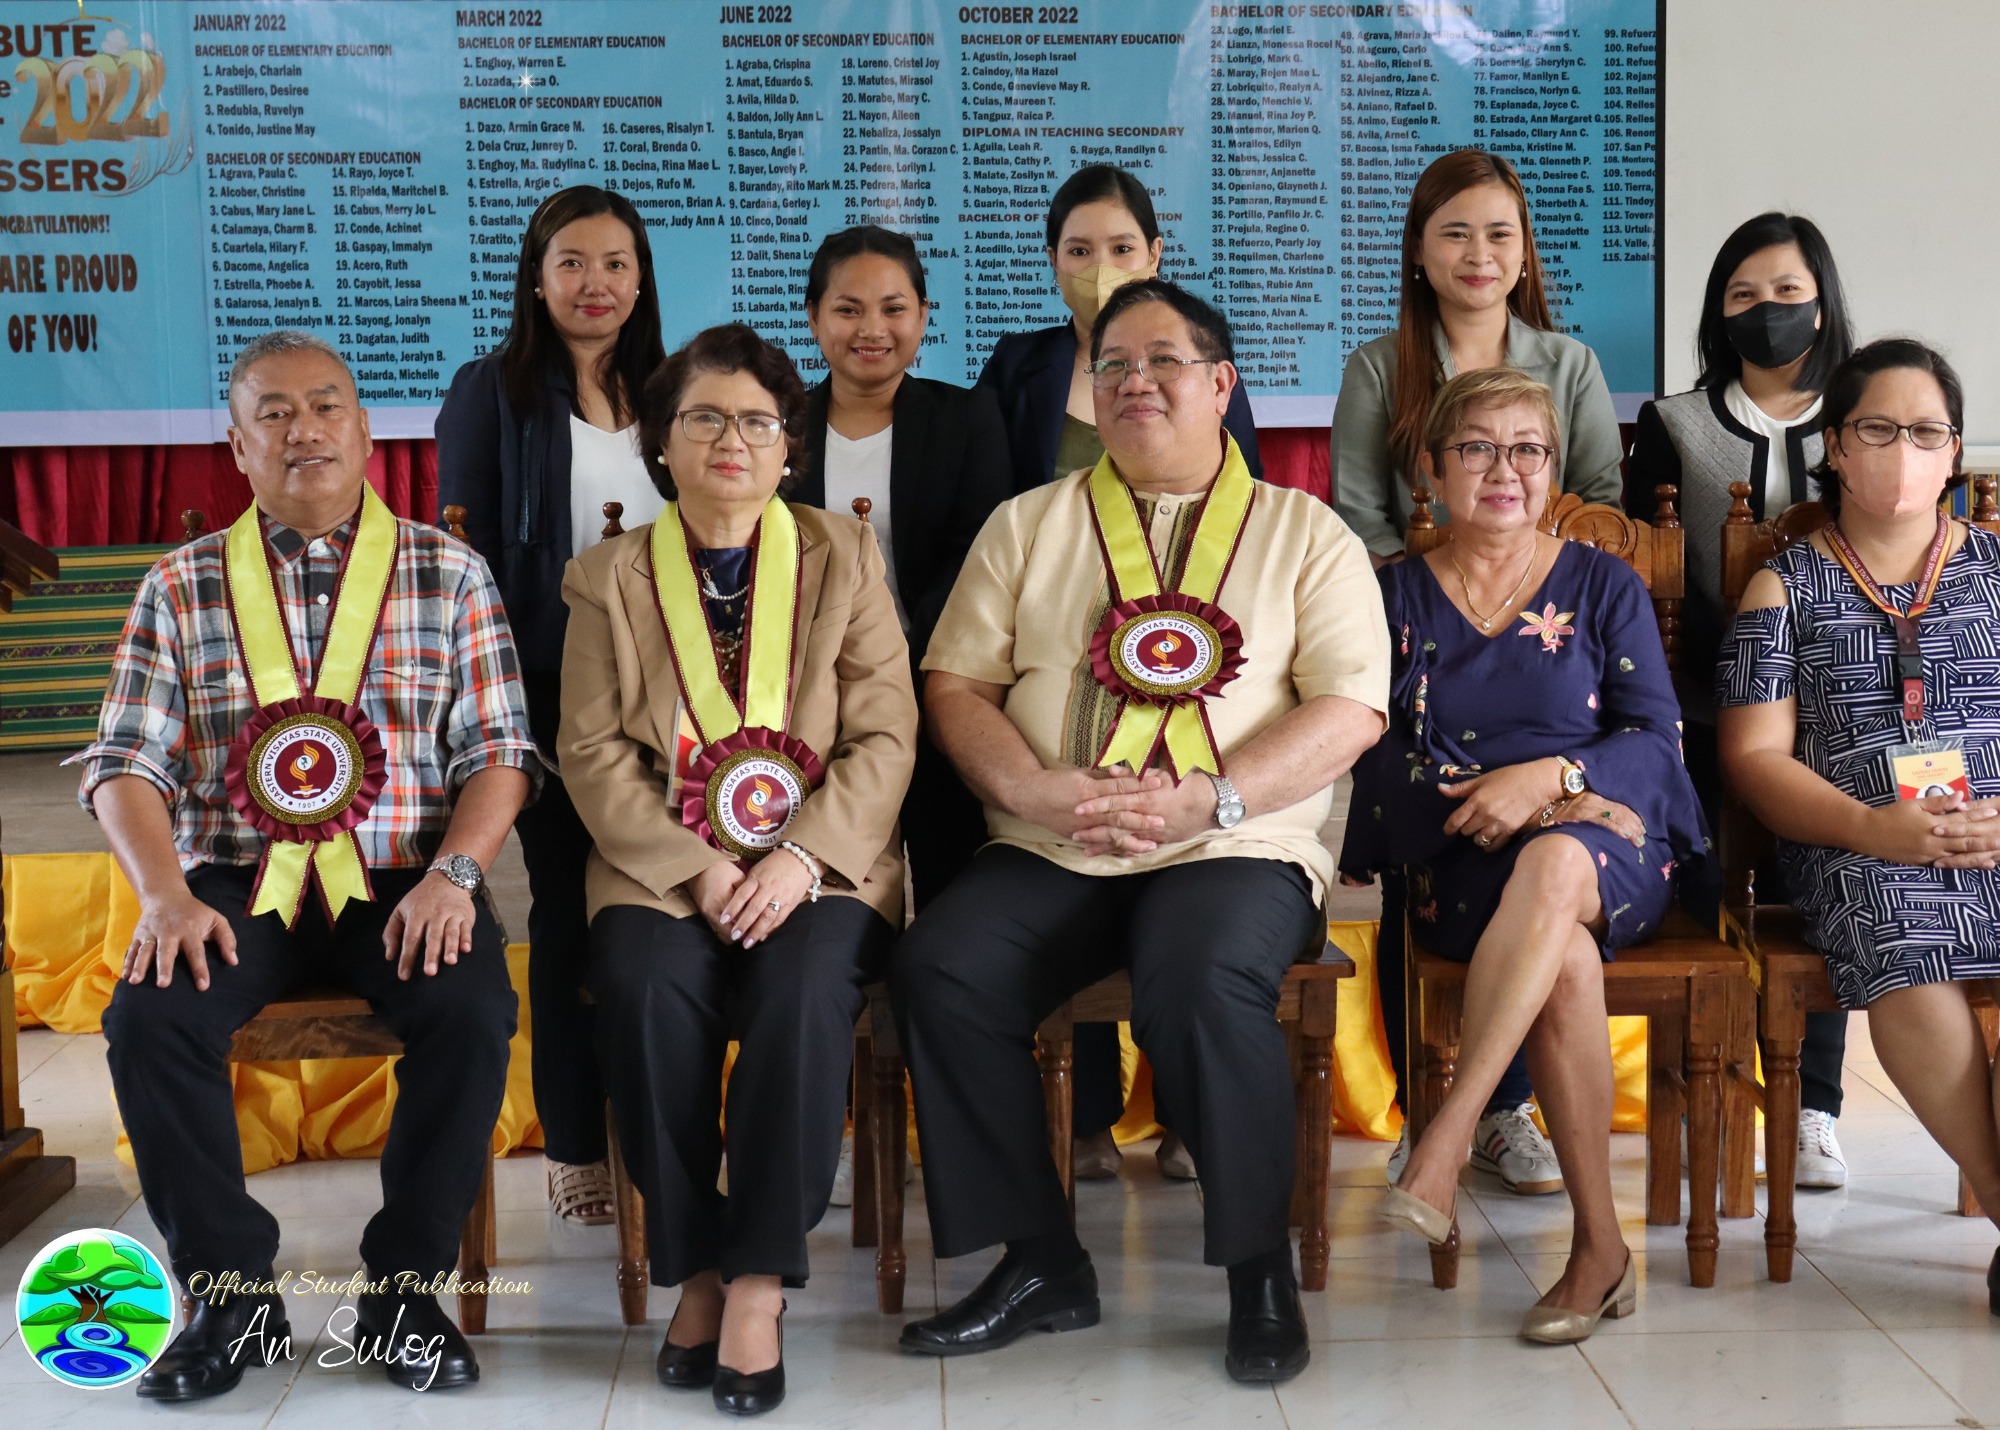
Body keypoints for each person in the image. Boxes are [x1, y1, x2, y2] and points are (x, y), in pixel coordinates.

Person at [894, 278, 1389, 1384]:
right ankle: (1040, 1260)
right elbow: (956, 684)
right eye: (1111, 364)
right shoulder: (1027, 523)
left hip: (1233, 844)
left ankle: (1258, 1273)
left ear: (1220, 384)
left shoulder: (1303, 530)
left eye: (1164, 360)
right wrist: (1030, 788)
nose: (1135, 382)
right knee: (941, 967)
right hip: (1053, 838)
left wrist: (1212, 797)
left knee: (1200, 976)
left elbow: (1351, 707)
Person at [81, 330, 539, 1399]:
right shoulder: (181, 584)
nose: (305, 430)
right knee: (148, 1016)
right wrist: (164, 895)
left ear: (366, 431)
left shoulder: (448, 571)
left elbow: (499, 752)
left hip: (407, 877)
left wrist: (457, 875)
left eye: (326, 405)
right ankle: (231, 1297)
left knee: (471, 1008)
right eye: (274, 413)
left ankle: (403, 1294)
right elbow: (123, 762)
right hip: (235, 882)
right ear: (237, 446)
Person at [559, 323, 917, 1415]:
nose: (731, 439)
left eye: (758, 421)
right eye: (704, 417)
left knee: (802, 988)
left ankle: (757, 1279)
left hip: (823, 861)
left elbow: (885, 732)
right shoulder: (605, 577)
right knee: (640, 986)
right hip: (661, 867)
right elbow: (590, 751)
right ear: (661, 443)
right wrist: (698, 869)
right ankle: (698, 1268)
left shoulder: (844, 555)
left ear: (789, 447)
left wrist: (800, 856)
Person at [1342, 366, 1709, 1344]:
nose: (1503, 469)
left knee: (1556, 865)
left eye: (1527, 449)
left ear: (1553, 469)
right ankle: (1600, 1250)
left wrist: (1549, 781)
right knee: (1563, 955)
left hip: (1605, 849)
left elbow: (1655, 738)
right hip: (1462, 857)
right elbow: (1377, 755)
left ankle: (1448, 1133)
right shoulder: (1392, 596)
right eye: (1476, 447)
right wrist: (1496, 805)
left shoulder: (1603, 583)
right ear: (1430, 468)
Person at [1332, 148, 1626, 1196]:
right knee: (1427, 846)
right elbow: (1358, 522)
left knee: (1543, 857)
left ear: (1525, 251)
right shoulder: (1380, 368)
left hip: (1550, 642)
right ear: (1418, 249)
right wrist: (1445, 589)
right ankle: (1453, 1112)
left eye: (1499, 232)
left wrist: (1518, 569)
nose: (1478, 252)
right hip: (1421, 638)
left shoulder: (1569, 363)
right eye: (1454, 231)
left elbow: (1601, 507)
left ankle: (1491, 1118)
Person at [978, 162, 1262, 1178]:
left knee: (1183, 894)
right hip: (1061, 667)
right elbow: (988, 507)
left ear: (1156, 253)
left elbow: (1239, 517)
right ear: (1052, 262)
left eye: (1121, 247)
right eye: (1079, 249)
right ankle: (1087, 1116)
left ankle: (1188, 1115)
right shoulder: (1016, 366)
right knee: (1070, 860)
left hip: (1185, 666)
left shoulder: (1195, 358)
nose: (1100, 266)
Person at [1717, 338, 2000, 1319]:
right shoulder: (1782, 586)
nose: (1901, 451)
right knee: (1905, 944)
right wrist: (1871, 830)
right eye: (1877, 429)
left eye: (1925, 432)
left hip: (1992, 833)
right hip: (1852, 846)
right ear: (1834, 445)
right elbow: (1753, 757)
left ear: (1953, 450)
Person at [437, 185, 667, 1226]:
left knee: (663, 916)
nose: (594, 283)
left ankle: (673, 1140)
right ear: (536, 278)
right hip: (551, 705)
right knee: (569, 917)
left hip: (682, 712)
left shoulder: (674, 388)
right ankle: (576, 1142)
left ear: (641, 279)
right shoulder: (490, 392)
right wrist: (513, 714)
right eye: (571, 262)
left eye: (615, 263)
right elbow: (470, 568)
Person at [1628, 212, 1858, 1188]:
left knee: (1826, 878)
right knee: (1698, 875)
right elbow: (1648, 580)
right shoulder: (1673, 423)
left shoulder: (1861, 414)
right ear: (1717, 313)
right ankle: (1705, 1086)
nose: (1768, 311)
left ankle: (1814, 1106)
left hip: (1840, 701)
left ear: (1822, 302)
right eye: (1743, 295)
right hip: (1706, 698)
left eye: (1787, 292)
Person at [795, 223, 1014, 1206]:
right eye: (847, 308)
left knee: (956, 916)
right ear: (814, 319)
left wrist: (891, 657)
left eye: (893, 308)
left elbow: (977, 561)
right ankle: (848, 1124)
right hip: (809, 725)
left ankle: (958, 1127)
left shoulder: (965, 419)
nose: (870, 328)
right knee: (836, 921)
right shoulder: (780, 425)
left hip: (941, 699)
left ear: (925, 317)